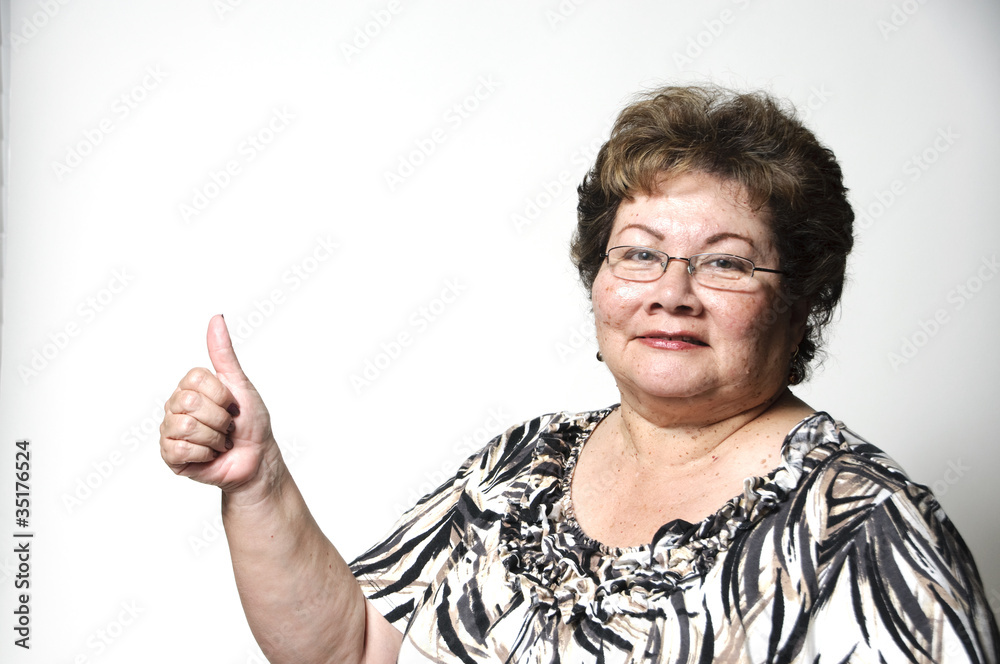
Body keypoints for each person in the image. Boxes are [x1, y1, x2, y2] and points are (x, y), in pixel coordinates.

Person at [159, 85, 999, 663]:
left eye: (726, 264)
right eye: (638, 254)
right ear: (597, 277)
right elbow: (353, 648)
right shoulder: (522, 466)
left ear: (802, 297)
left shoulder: (864, 530)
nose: (671, 294)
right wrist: (257, 482)